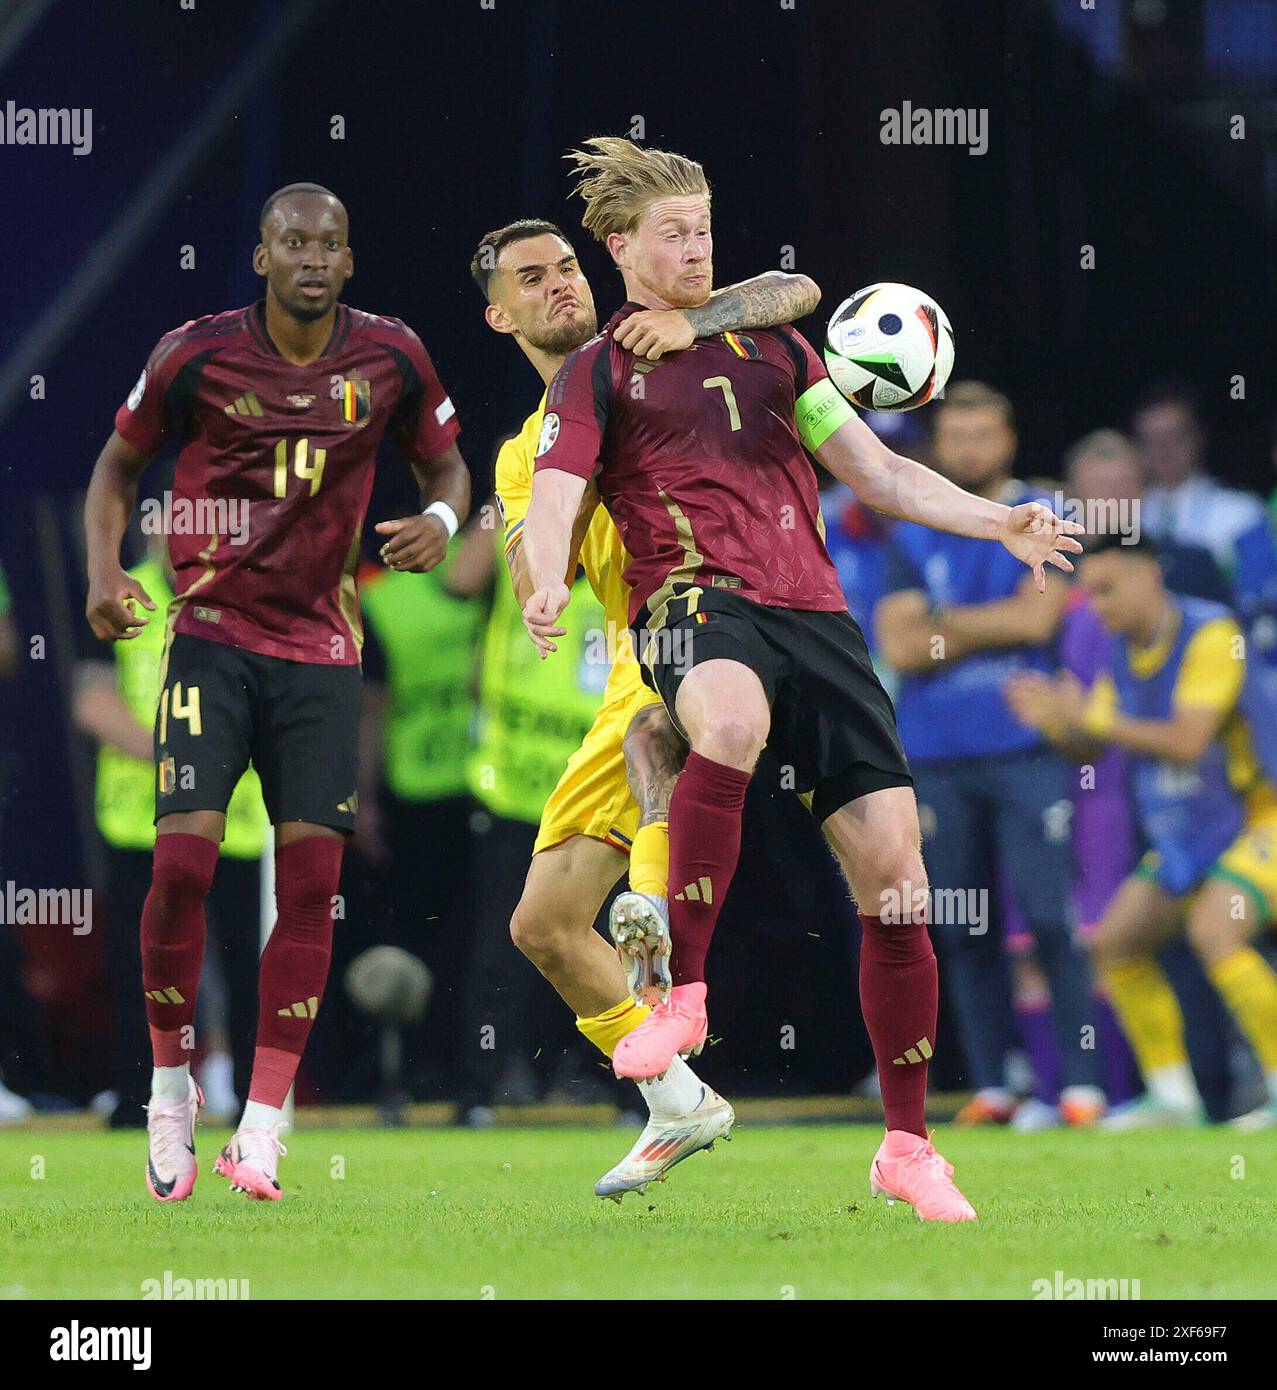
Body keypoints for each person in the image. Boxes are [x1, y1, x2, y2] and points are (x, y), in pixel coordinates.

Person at [520, 137, 1079, 1220]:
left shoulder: (775, 349)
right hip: (691, 598)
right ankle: (681, 989)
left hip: (816, 616)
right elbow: (555, 493)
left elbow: (873, 470)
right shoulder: (600, 367)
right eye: (672, 233)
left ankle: (908, 1147)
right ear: (619, 246)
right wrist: (546, 578)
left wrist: (994, 517)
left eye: (703, 227)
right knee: (724, 716)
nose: (695, 247)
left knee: (895, 880)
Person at [82, 182, 469, 1201]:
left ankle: (260, 1125)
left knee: (307, 889)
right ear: (260, 257)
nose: (309, 256)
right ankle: (171, 1085)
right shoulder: (195, 353)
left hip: (322, 656)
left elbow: (449, 467)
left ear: (348, 260)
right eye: (291, 241)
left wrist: (438, 516)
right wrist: (104, 574)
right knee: (180, 867)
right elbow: (117, 467)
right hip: (210, 638)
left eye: (328, 243)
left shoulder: (391, 355)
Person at [474, 217, 820, 1195]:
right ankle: (677, 1097)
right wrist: (536, 576)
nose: (558, 287)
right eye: (529, 280)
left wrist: (697, 317)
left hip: (728, 619)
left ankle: (663, 929)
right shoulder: (521, 451)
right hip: (638, 645)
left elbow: (795, 292)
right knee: (541, 923)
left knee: (653, 733)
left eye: (568, 269)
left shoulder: (662, 348)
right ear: (499, 315)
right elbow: (531, 551)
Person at [875, 382, 1105, 1127]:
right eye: (956, 435)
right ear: (939, 445)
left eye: (982, 434)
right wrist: (990, 626)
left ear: (1007, 440)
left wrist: (944, 625)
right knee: (959, 926)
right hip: (937, 756)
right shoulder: (913, 522)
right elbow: (900, 644)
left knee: (1046, 918)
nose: (969, 448)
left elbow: (1039, 613)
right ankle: (997, 1085)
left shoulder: (1044, 511)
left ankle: (1079, 1088)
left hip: (1023, 749)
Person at [1007, 533, 1277, 1131]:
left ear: (1149, 575)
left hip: (1262, 817)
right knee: (1116, 942)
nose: (1096, 607)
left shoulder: (1212, 633)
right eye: (1088, 595)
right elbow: (1093, 738)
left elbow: (1187, 743)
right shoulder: (1120, 651)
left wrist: (1089, 718)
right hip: (1195, 835)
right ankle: (1173, 1100)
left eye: (1106, 590)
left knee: (1215, 929)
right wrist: (1055, 722)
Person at [73, 534, 269, 1125]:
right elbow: (91, 701)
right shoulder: (119, 597)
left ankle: (252, 1104)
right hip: (143, 825)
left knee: (243, 970)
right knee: (142, 965)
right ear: (156, 533)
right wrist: (174, 757)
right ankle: (140, 1098)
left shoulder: (254, 601)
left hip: (234, 823)